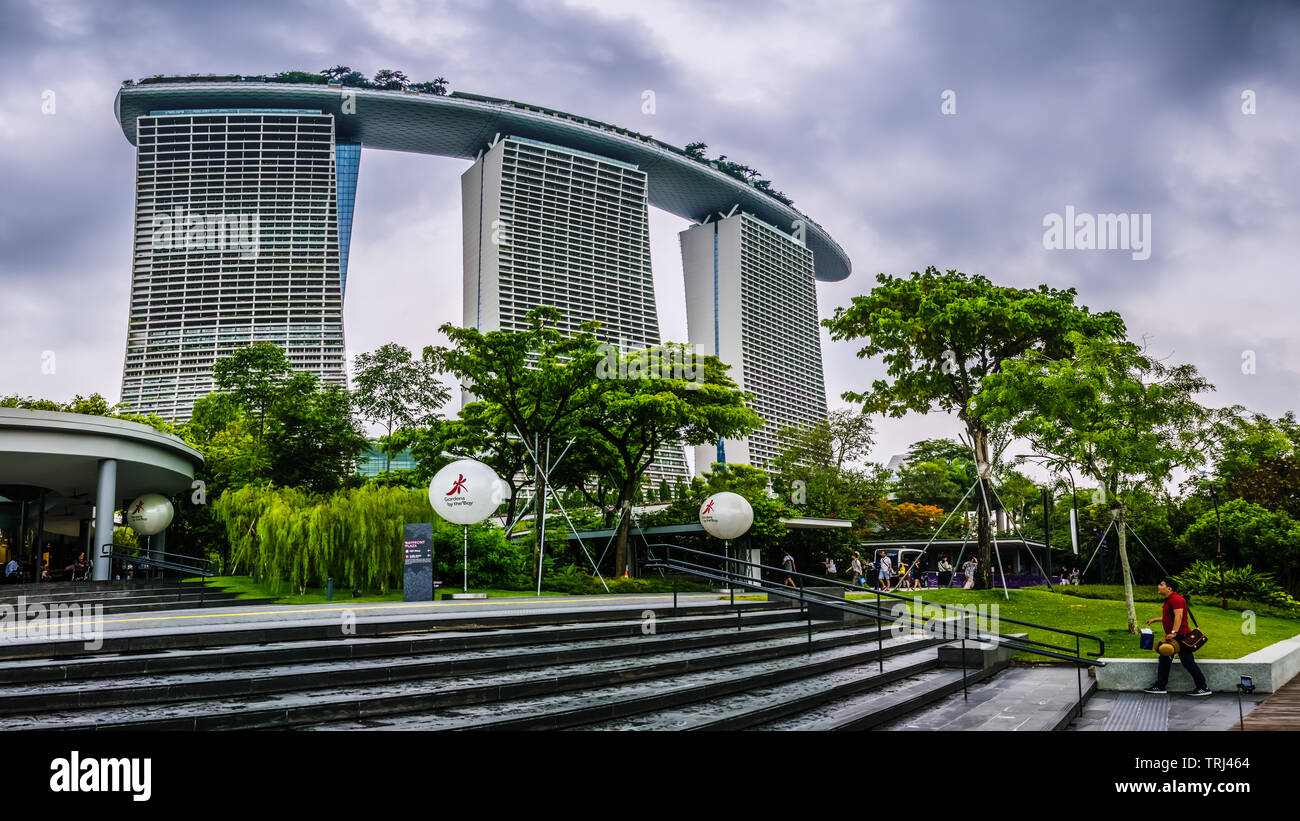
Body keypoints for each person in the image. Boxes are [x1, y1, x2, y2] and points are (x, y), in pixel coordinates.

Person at [1143, 577, 1211, 696]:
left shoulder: (1176, 599)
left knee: (1183, 661)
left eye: (1161, 584)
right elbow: (1171, 617)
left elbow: (1178, 617)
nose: (1158, 586)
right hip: (1177, 635)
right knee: (1172, 659)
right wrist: (1155, 620)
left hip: (1180, 636)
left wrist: (1174, 632)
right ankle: (1162, 685)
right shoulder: (1170, 599)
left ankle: (1202, 687)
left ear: (1169, 588)